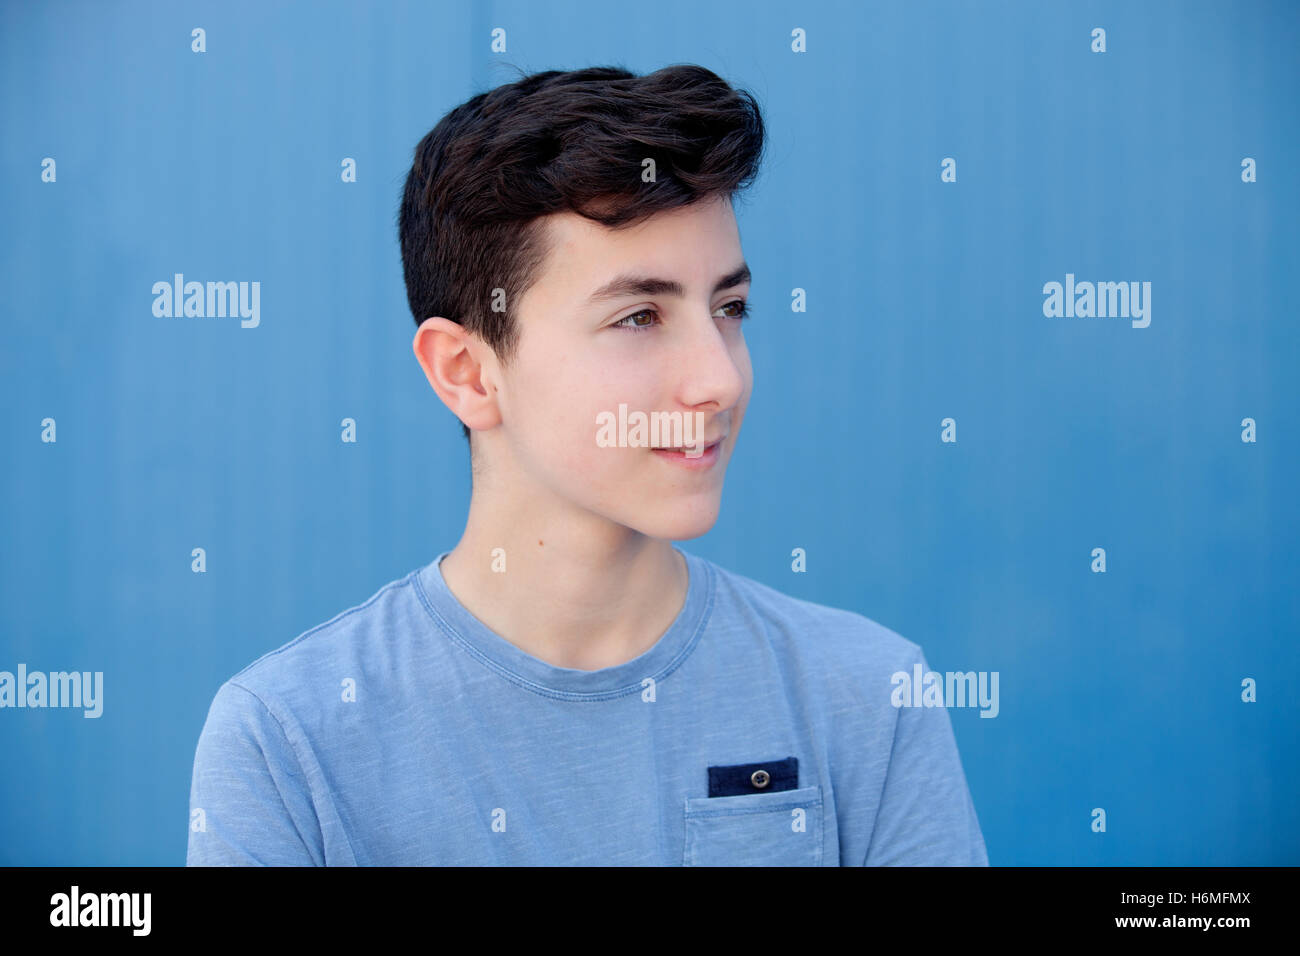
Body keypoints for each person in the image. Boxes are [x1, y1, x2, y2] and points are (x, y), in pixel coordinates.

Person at [186, 64, 988, 866]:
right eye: (640, 316)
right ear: (467, 372)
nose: (720, 378)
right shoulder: (287, 743)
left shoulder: (867, 696)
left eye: (729, 309)